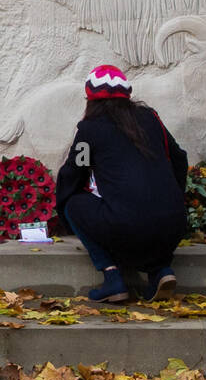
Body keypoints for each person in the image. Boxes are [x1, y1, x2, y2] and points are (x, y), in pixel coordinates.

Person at [55, 65, 189, 302]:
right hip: (175, 223)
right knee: (149, 214)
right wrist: (173, 198)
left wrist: (63, 207)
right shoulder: (150, 118)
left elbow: (76, 170)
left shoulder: (90, 129)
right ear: (127, 95)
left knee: (73, 205)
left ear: (90, 99)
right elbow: (179, 157)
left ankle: (112, 278)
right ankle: (161, 272)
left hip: (128, 226)